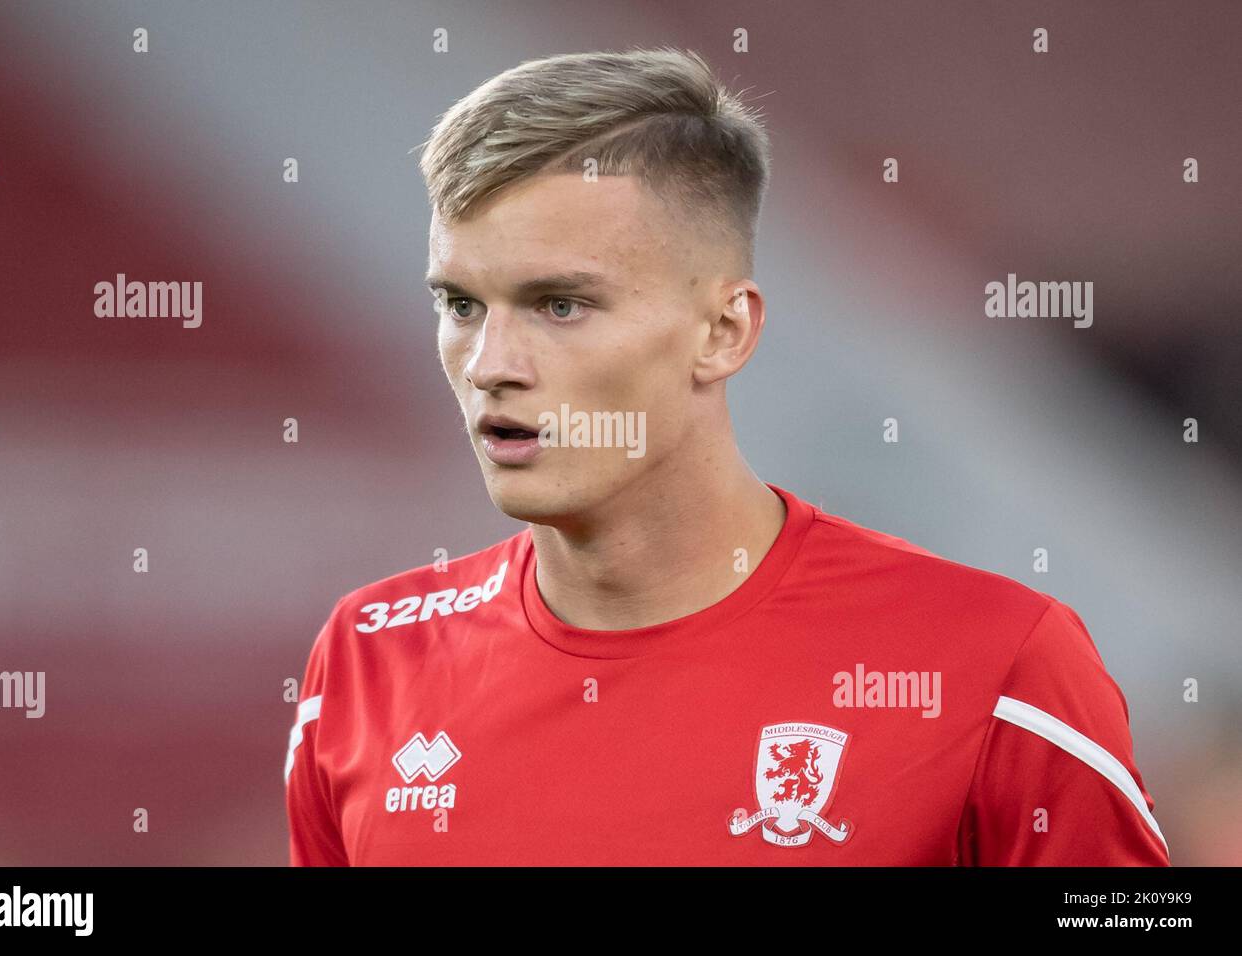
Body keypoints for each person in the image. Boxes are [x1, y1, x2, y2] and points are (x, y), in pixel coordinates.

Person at [285, 47, 1169, 866]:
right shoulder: (367, 662)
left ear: (722, 331)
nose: (490, 365)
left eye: (560, 305)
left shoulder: (997, 665)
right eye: (461, 305)